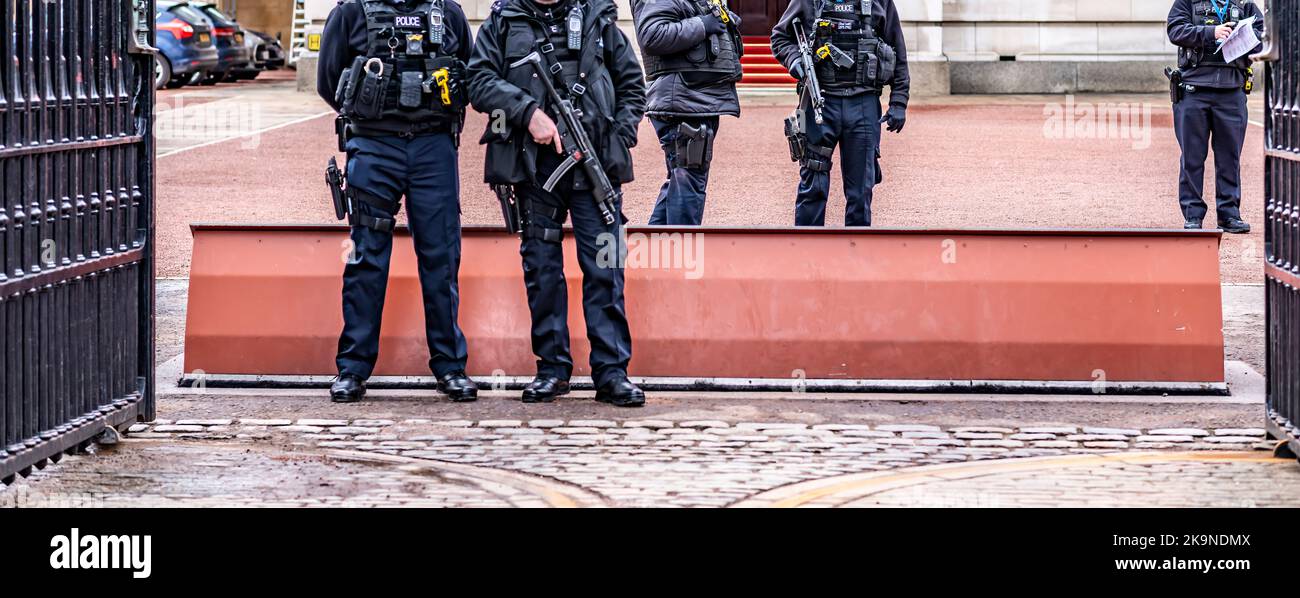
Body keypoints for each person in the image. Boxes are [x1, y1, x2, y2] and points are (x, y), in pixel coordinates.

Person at [466, 0, 648, 406]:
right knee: (542, 271)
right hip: (534, 167)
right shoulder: (503, 19)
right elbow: (476, 79)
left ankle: (612, 372)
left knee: (607, 267)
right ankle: (552, 369)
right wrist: (527, 112)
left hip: (595, 167)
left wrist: (618, 139)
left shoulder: (598, 16)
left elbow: (634, 86)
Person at [317, 0, 478, 402]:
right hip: (373, 147)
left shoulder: (450, 13)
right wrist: (371, 110)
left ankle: (450, 367)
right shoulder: (351, 12)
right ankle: (352, 369)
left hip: (433, 147)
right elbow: (328, 81)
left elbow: (470, 75)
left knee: (441, 258)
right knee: (366, 260)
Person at [771, 0, 909, 227]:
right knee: (813, 185)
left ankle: (856, 253)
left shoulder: (880, 2)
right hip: (820, 102)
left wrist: (899, 102)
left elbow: (898, 51)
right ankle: (806, 253)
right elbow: (780, 37)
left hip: (864, 104)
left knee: (860, 192)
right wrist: (796, 62)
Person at [631, 0, 743, 225]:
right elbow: (652, 35)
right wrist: (703, 24)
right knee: (688, 182)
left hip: (695, 99)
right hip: (682, 101)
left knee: (682, 179)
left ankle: (659, 253)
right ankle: (679, 254)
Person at [1167, 0, 1263, 233]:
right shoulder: (1187, 2)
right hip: (1193, 92)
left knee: (1230, 158)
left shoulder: (1245, 5)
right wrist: (1211, 32)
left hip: (1232, 93)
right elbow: (1175, 30)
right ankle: (1193, 216)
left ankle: (1229, 215)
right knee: (1192, 158)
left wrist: (1244, 39)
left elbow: (1263, 37)